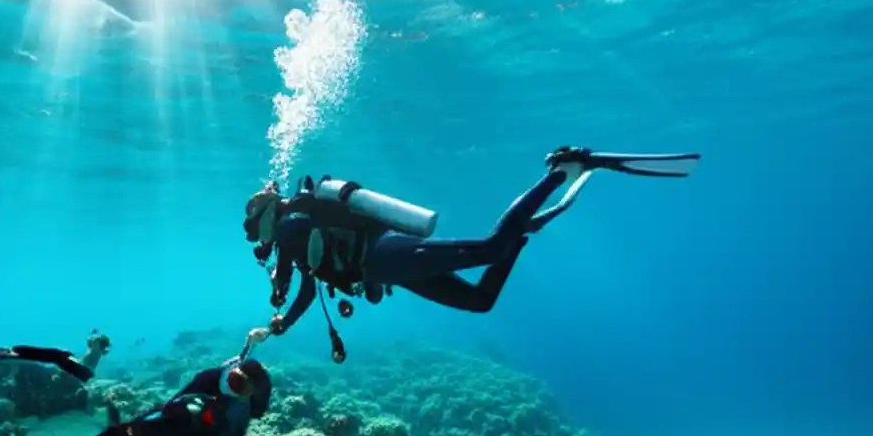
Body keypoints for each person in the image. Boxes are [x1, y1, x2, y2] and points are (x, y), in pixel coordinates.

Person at [242, 146, 699, 359]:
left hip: (385, 255)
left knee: (489, 249)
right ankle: (518, 234)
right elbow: (304, 285)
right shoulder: (292, 234)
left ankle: (560, 172)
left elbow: (298, 279)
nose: (255, 236)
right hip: (386, 266)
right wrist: (282, 322)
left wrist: (282, 305)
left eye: (253, 225)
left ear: (266, 213)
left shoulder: (291, 226)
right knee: (480, 300)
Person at [14, 328, 274, 436]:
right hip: (183, 429)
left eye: (246, 390)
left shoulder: (251, 398)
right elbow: (172, 406)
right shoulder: (209, 378)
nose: (237, 390)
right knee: (133, 429)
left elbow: (255, 406)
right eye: (236, 381)